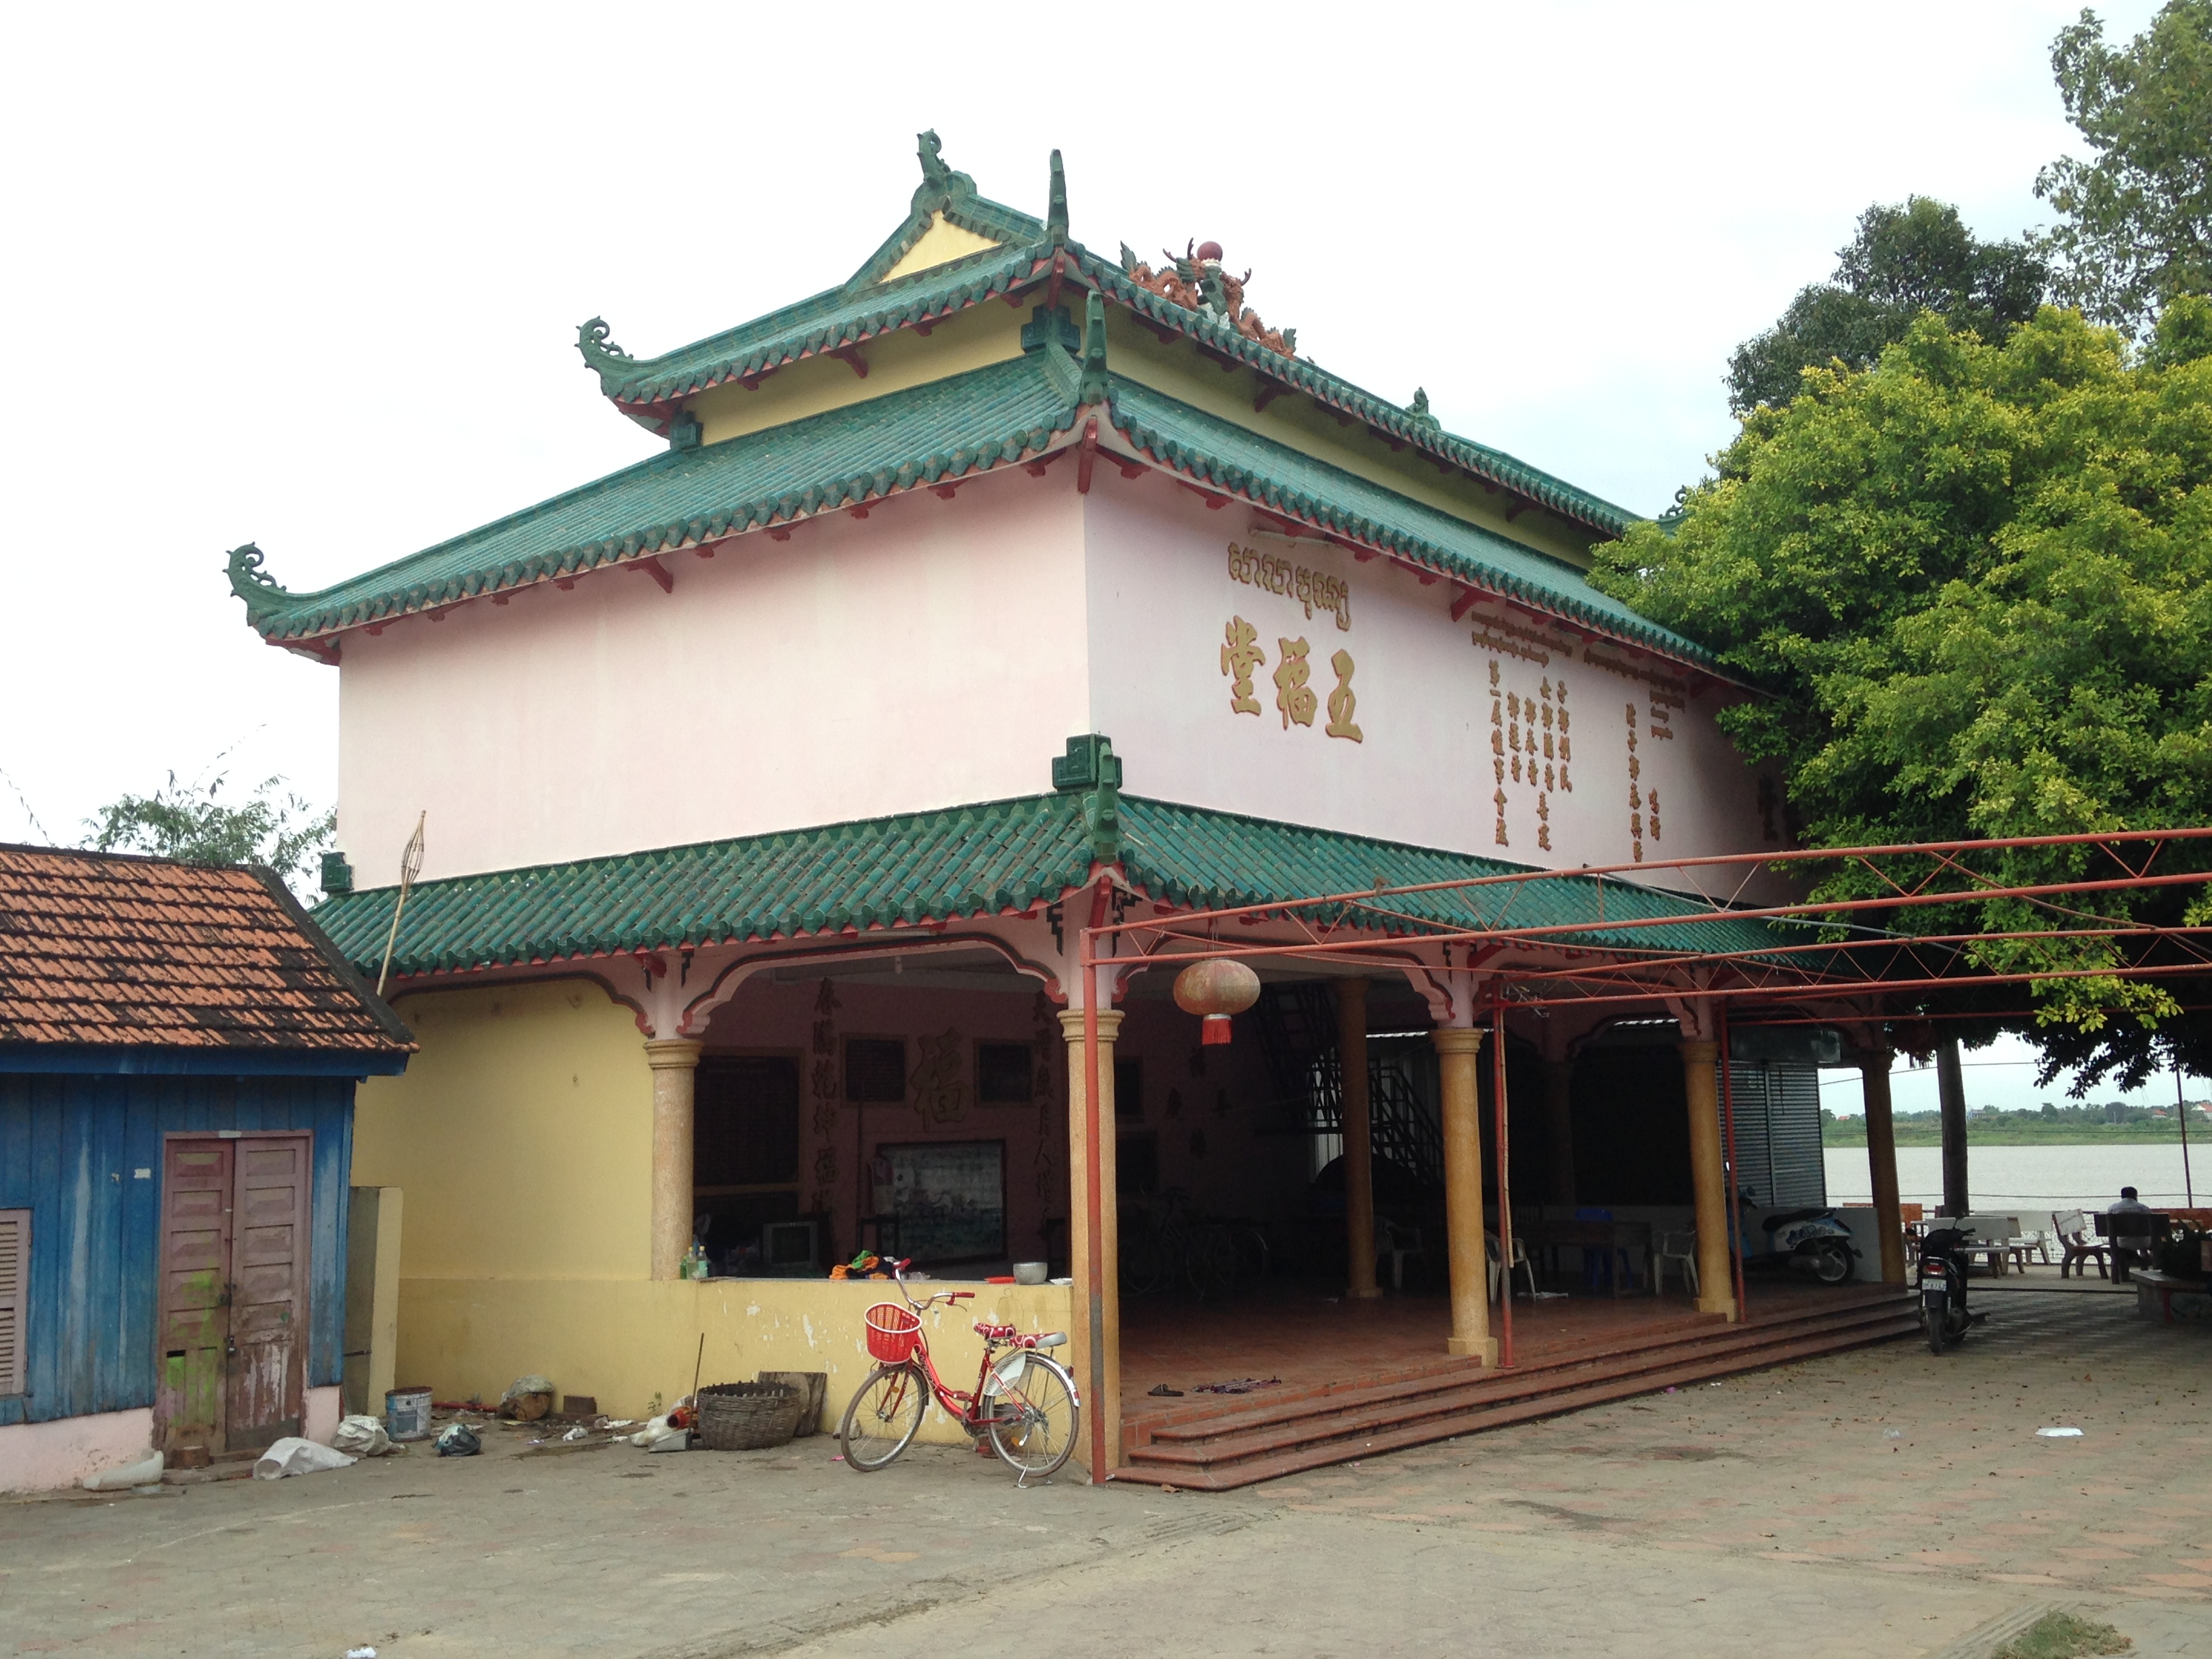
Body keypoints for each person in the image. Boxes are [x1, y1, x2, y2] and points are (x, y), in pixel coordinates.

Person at [2107, 1187, 2154, 1283]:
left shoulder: (2113, 1209)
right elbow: (2153, 1225)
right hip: (2142, 1242)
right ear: (2135, 1196)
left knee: (2122, 1243)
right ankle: (2146, 1268)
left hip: (2121, 1243)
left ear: (2122, 1196)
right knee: (2151, 1242)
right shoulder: (2143, 1209)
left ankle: (2119, 1276)